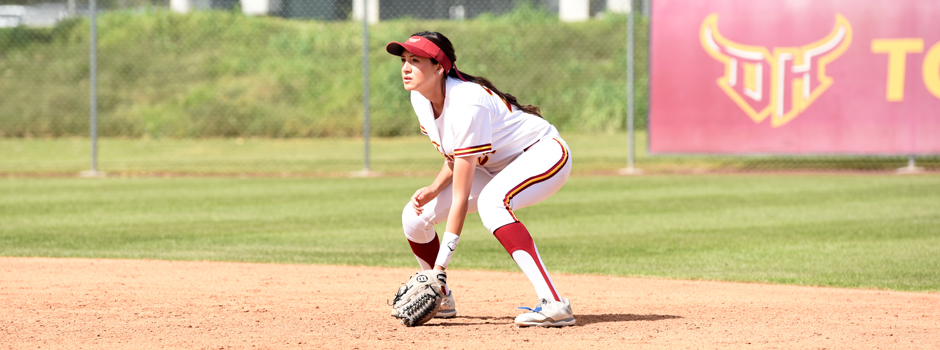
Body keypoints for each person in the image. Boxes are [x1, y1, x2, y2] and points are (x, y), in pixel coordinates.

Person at [387, 31, 575, 327]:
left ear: (439, 68)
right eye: (404, 60)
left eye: (415, 60)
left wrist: (441, 266)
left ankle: (553, 303)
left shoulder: (467, 102)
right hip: (493, 166)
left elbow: (461, 196)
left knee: (492, 203)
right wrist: (435, 188)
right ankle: (442, 297)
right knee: (414, 215)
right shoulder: (420, 99)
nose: (406, 68)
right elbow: (457, 156)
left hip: (542, 153)